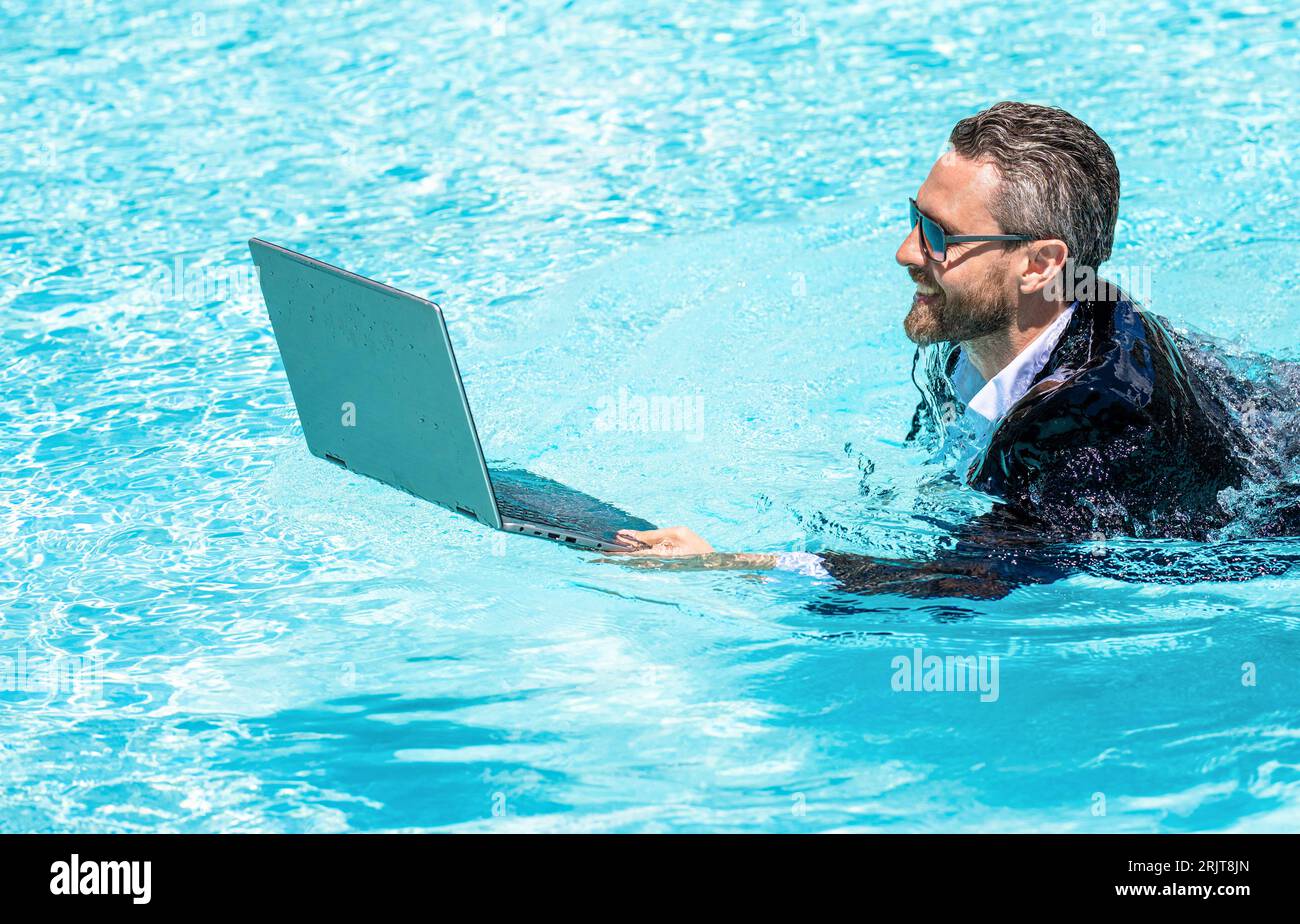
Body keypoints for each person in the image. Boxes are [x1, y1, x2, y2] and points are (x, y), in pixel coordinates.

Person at [610, 101, 1299, 599]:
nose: (907, 251)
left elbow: (974, 578)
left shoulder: (1090, 418)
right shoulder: (982, 323)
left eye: (940, 236)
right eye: (915, 218)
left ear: (1040, 265)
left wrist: (732, 564)